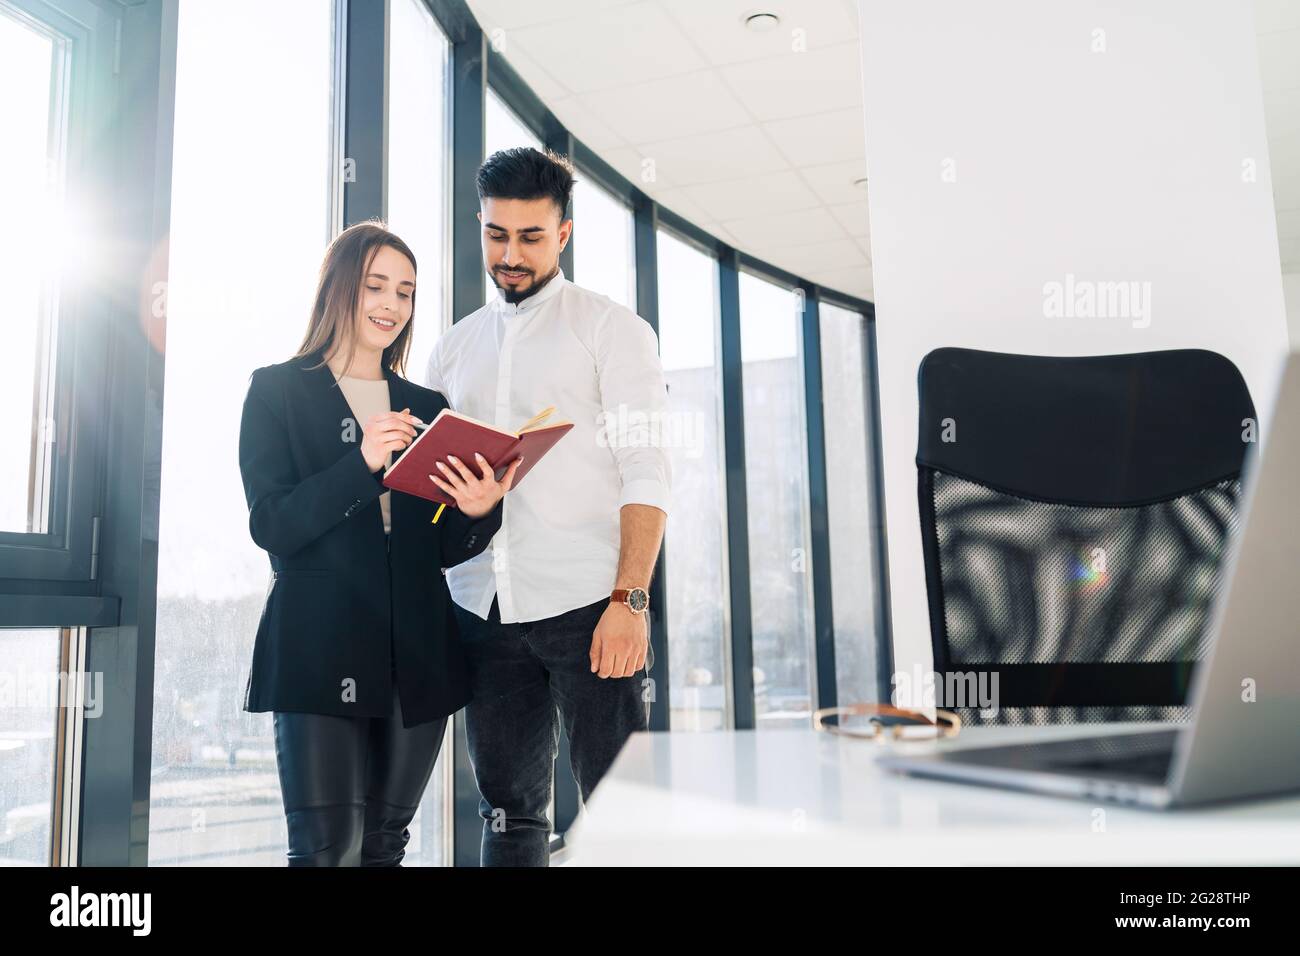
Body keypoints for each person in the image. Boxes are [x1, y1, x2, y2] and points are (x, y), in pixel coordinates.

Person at [238, 221, 520, 865]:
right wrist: (361, 463)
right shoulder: (277, 391)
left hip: (418, 652)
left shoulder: (427, 403)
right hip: (318, 647)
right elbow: (272, 524)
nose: (393, 305)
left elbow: (439, 547)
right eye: (376, 286)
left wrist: (478, 513)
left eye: (407, 292)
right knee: (326, 850)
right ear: (340, 288)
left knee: (384, 847)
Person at [426, 148, 671, 866]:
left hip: (589, 606)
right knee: (507, 814)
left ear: (562, 235)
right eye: (497, 234)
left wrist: (631, 599)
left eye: (530, 237)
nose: (510, 254)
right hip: (485, 610)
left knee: (623, 809)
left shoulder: (610, 330)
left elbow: (646, 471)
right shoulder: (452, 350)